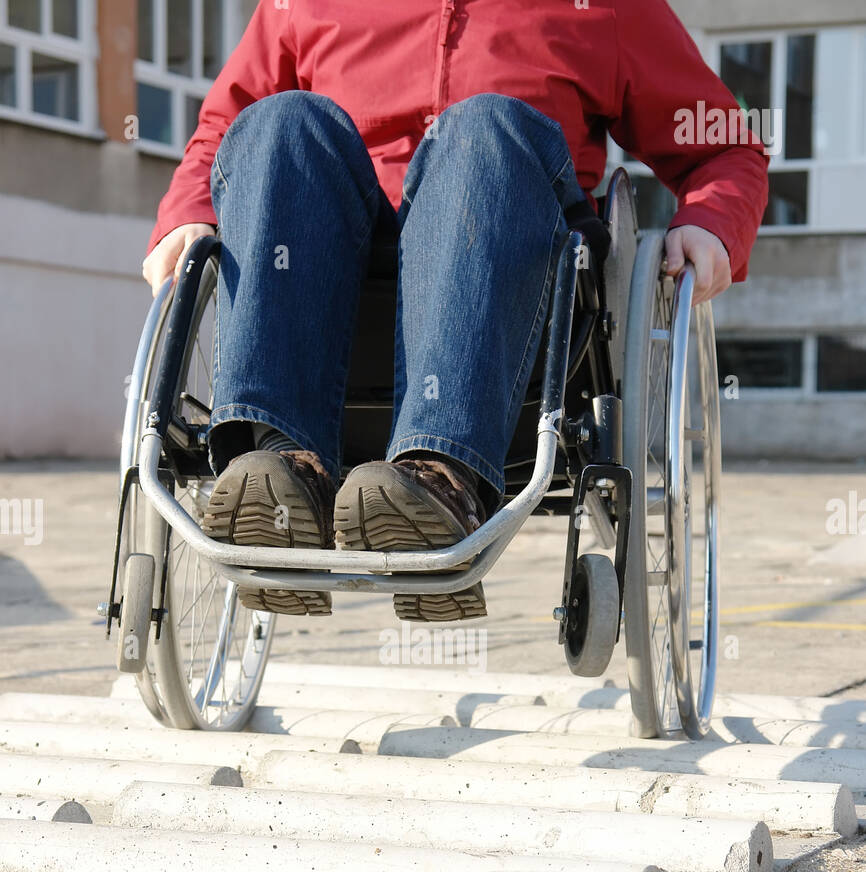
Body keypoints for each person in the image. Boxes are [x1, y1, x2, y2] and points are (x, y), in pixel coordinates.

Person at [143, 0, 768, 621]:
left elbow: (720, 145)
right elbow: (225, 131)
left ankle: (438, 483)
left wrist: (711, 224)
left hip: (516, 286)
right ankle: (281, 471)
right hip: (331, 271)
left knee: (483, 128)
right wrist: (186, 213)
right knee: (280, 122)